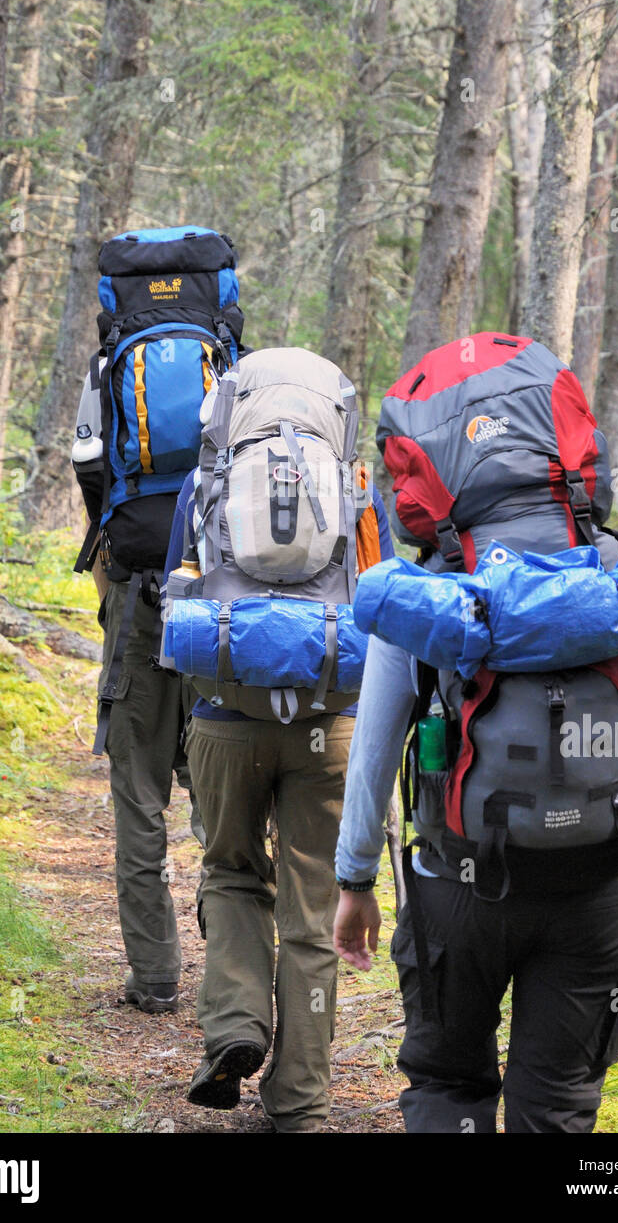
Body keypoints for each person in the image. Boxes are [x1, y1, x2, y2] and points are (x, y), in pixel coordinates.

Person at [332, 332, 618, 1134]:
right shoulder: (616, 576)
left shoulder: (423, 594)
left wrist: (355, 881)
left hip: (459, 887)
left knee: (448, 1088)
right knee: (557, 1105)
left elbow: (372, 752)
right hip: (597, 887)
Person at [163, 348, 394, 1132]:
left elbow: (176, 601)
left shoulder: (206, 484)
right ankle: (298, 1098)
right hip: (330, 721)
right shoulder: (357, 491)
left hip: (226, 716)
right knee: (312, 908)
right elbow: (385, 604)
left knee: (230, 872)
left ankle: (233, 1029)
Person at [71, 225, 244, 1014]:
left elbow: (87, 464)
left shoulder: (110, 366)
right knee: (219, 801)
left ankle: (153, 979)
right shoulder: (235, 367)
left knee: (139, 799)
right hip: (217, 608)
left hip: (139, 594)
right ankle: (234, 977)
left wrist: (111, 548)